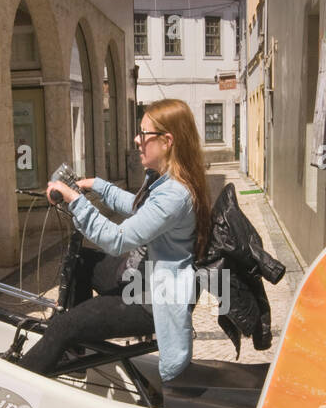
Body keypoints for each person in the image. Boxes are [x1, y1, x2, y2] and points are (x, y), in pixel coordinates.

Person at [16, 98, 211, 384]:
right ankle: (75, 356)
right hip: (138, 276)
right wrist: (97, 186)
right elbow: (140, 208)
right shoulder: (164, 181)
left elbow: (117, 239)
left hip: (150, 299)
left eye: (144, 134)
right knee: (81, 261)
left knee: (64, 325)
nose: (137, 140)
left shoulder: (174, 194)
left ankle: (15, 384)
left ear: (167, 141)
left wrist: (75, 201)